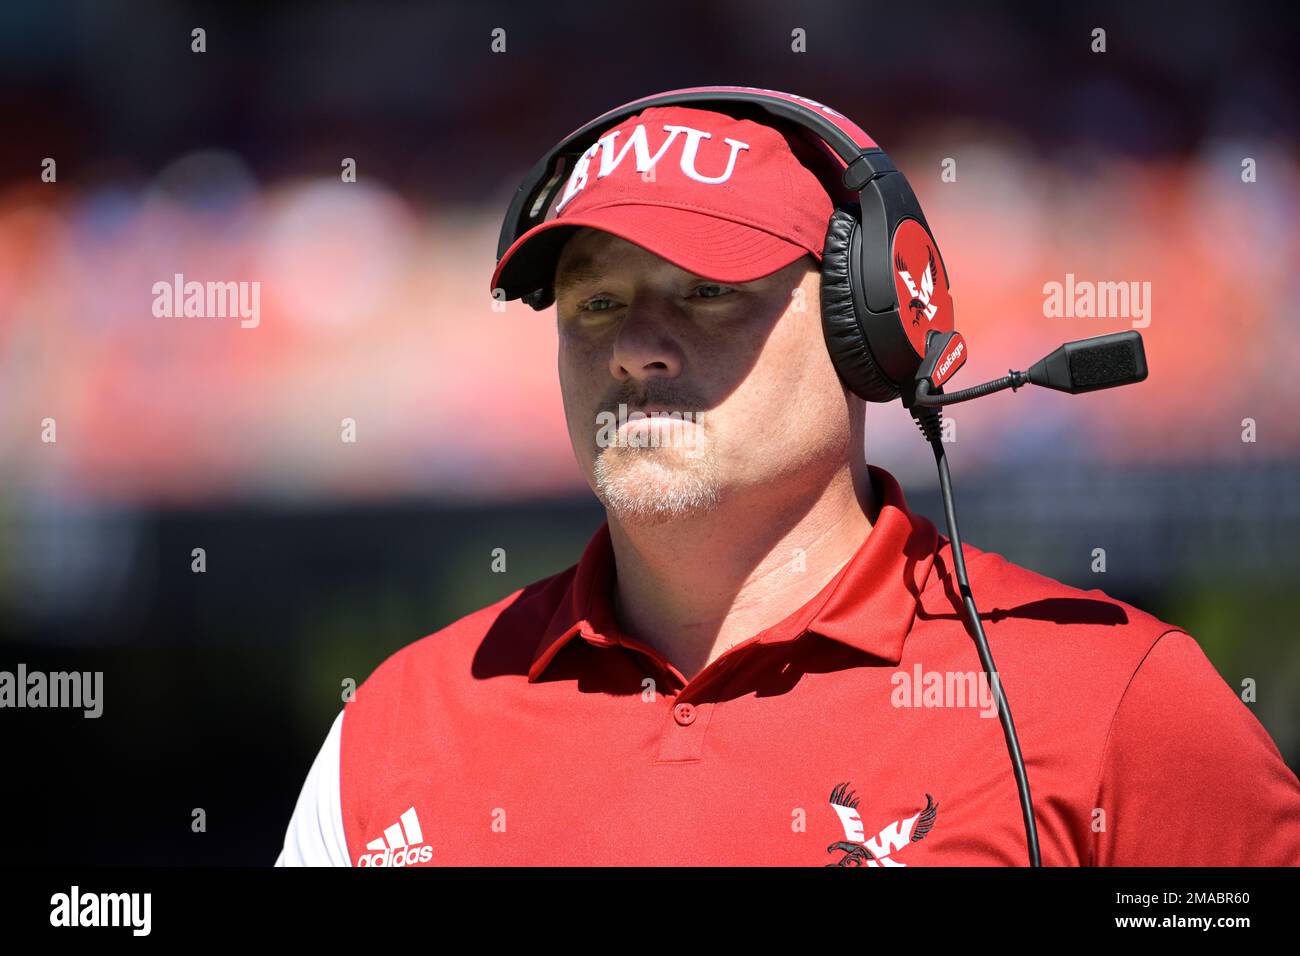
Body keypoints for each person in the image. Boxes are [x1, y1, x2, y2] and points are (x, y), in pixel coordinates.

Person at [276, 103, 1300, 867]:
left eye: (709, 293)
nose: (635, 347)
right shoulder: (394, 730)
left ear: (875, 323)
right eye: (593, 302)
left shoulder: (1115, 701)